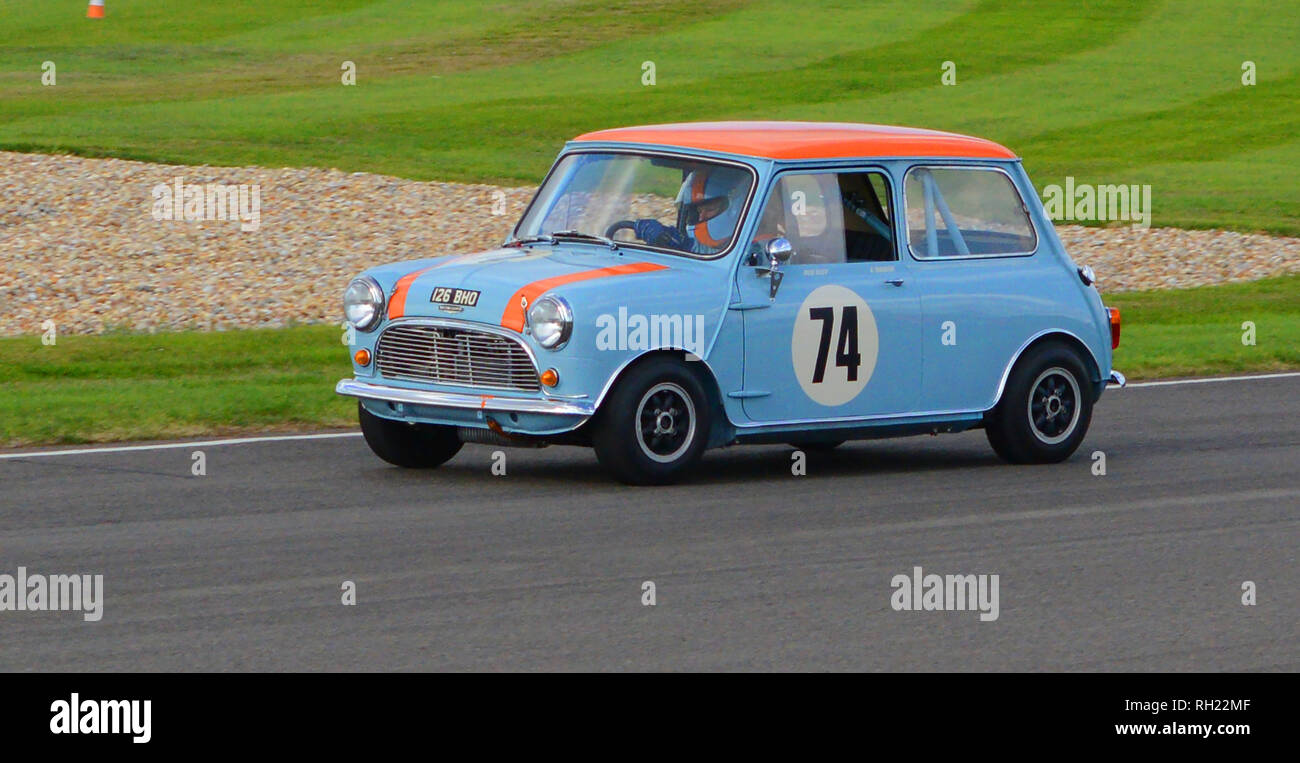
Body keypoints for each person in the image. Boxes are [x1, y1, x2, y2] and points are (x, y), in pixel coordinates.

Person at [631, 166, 749, 254]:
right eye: (698, 211)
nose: (701, 217)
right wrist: (670, 237)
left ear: (735, 208)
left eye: (710, 209)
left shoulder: (754, 247)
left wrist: (684, 244)